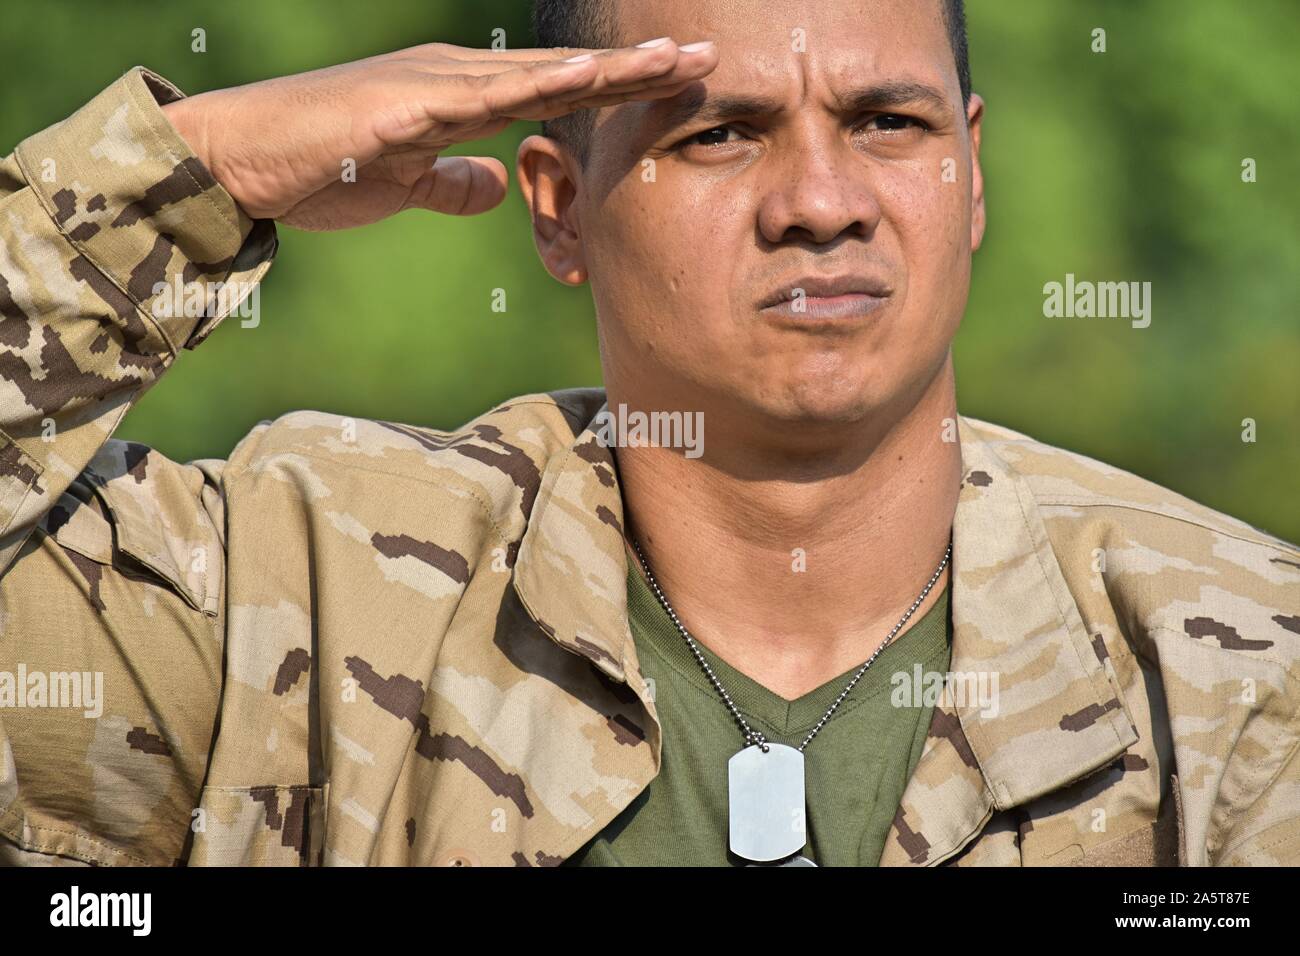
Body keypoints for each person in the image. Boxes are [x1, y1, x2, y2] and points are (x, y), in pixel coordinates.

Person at [0, 0, 1295, 867]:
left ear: (972, 174)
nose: (823, 204)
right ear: (559, 211)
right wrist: (188, 172)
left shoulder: (1234, 670)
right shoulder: (303, 597)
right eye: (722, 134)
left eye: (886, 124)